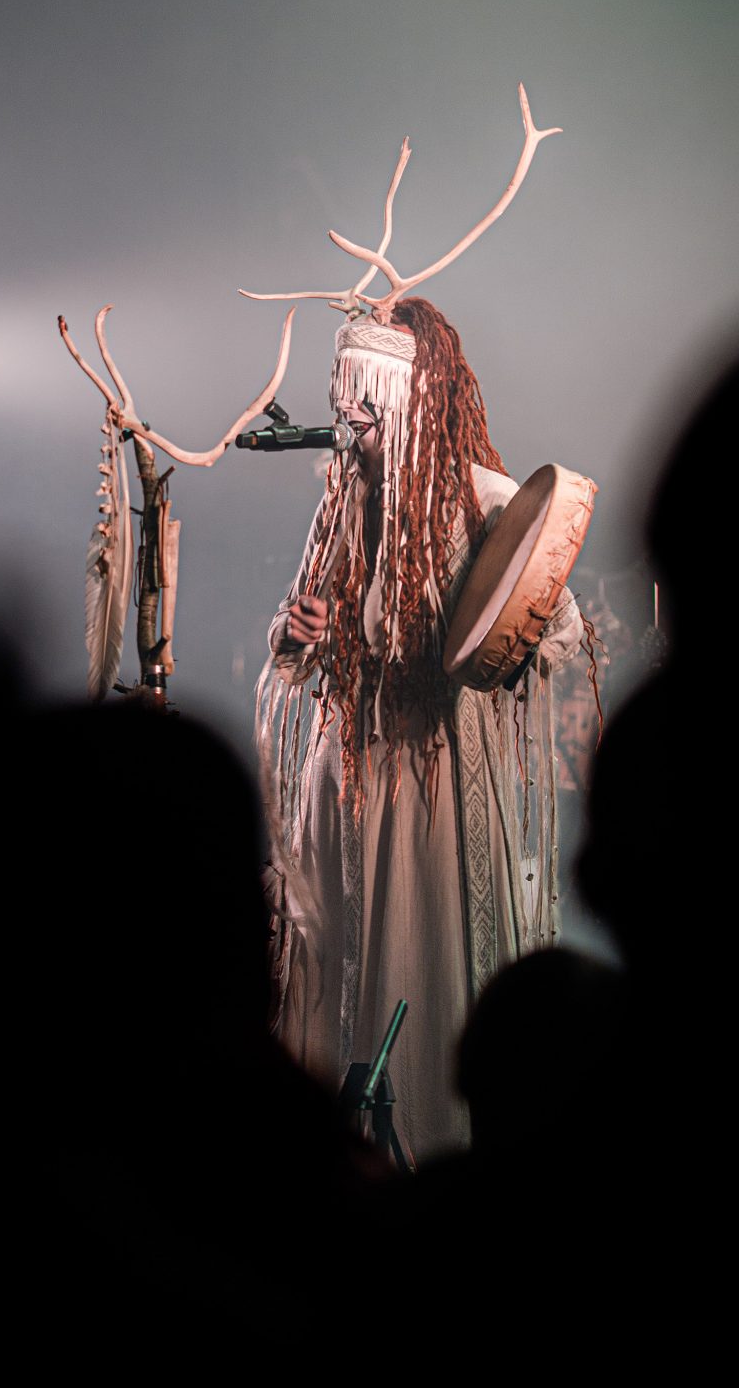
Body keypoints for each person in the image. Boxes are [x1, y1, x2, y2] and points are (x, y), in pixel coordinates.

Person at [257, 299, 582, 1161]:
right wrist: (298, 635)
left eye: (368, 405)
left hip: (434, 783)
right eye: (345, 403)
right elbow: (294, 637)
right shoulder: (343, 506)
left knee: (423, 954)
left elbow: (560, 621)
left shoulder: (482, 499)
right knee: (333, 969)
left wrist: (503, 642)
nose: (351, 423)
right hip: (347, 774)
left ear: (407, 403)